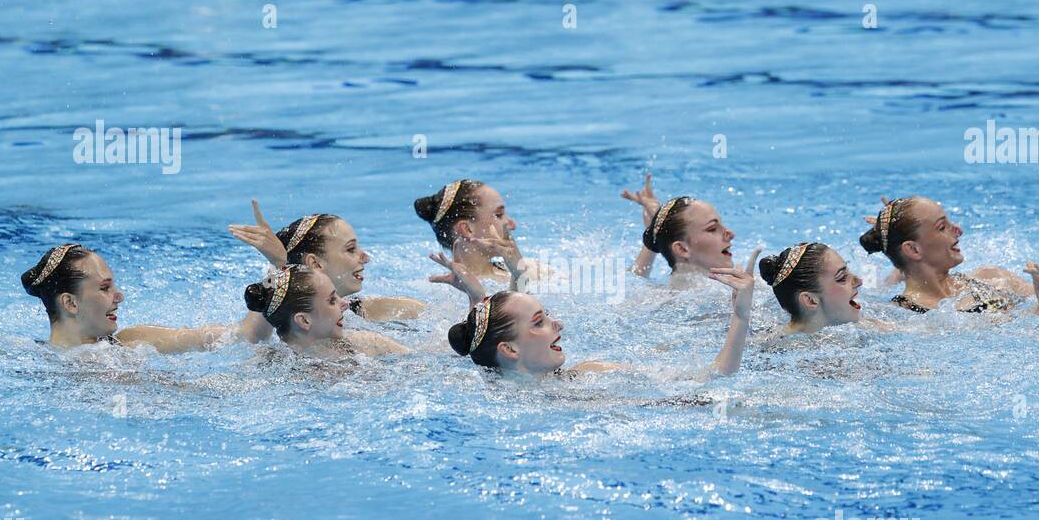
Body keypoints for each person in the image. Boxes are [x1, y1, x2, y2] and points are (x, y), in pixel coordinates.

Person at [441, 250, 764, 378]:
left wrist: (740, 316)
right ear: (509, 350)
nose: (558, 323)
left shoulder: (591, 374)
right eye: (539, 322)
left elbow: (712, 377)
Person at [859, 197, 1039, 316]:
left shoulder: (994, 278)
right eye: (942, 227)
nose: (958, 230)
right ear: (913, 250)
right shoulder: (901, 318)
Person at [21, 244, 256, 351]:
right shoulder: (29, 358)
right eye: (105, 288)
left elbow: (244, 335)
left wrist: (274, 270)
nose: (119, 296)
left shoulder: (133, 342)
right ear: (71, 303)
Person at [229, 200, 425, 320]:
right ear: (315, 264)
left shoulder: (362, 309)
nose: (366, 258)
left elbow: (433, 317)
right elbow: (254, 334)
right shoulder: (289, 323)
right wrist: (279, 265)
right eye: (351, 249)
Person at [243, 265, 408, 357]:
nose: (345, 303)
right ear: (304, 320)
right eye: (332, 300)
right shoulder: (269, 364)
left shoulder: (367, 344)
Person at [620, 173, 738, 286]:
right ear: (682, 249)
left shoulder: (649, 295)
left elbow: (632, 282)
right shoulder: (732, 292)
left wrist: (655, 228)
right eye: (712, 229)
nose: (730, 233)